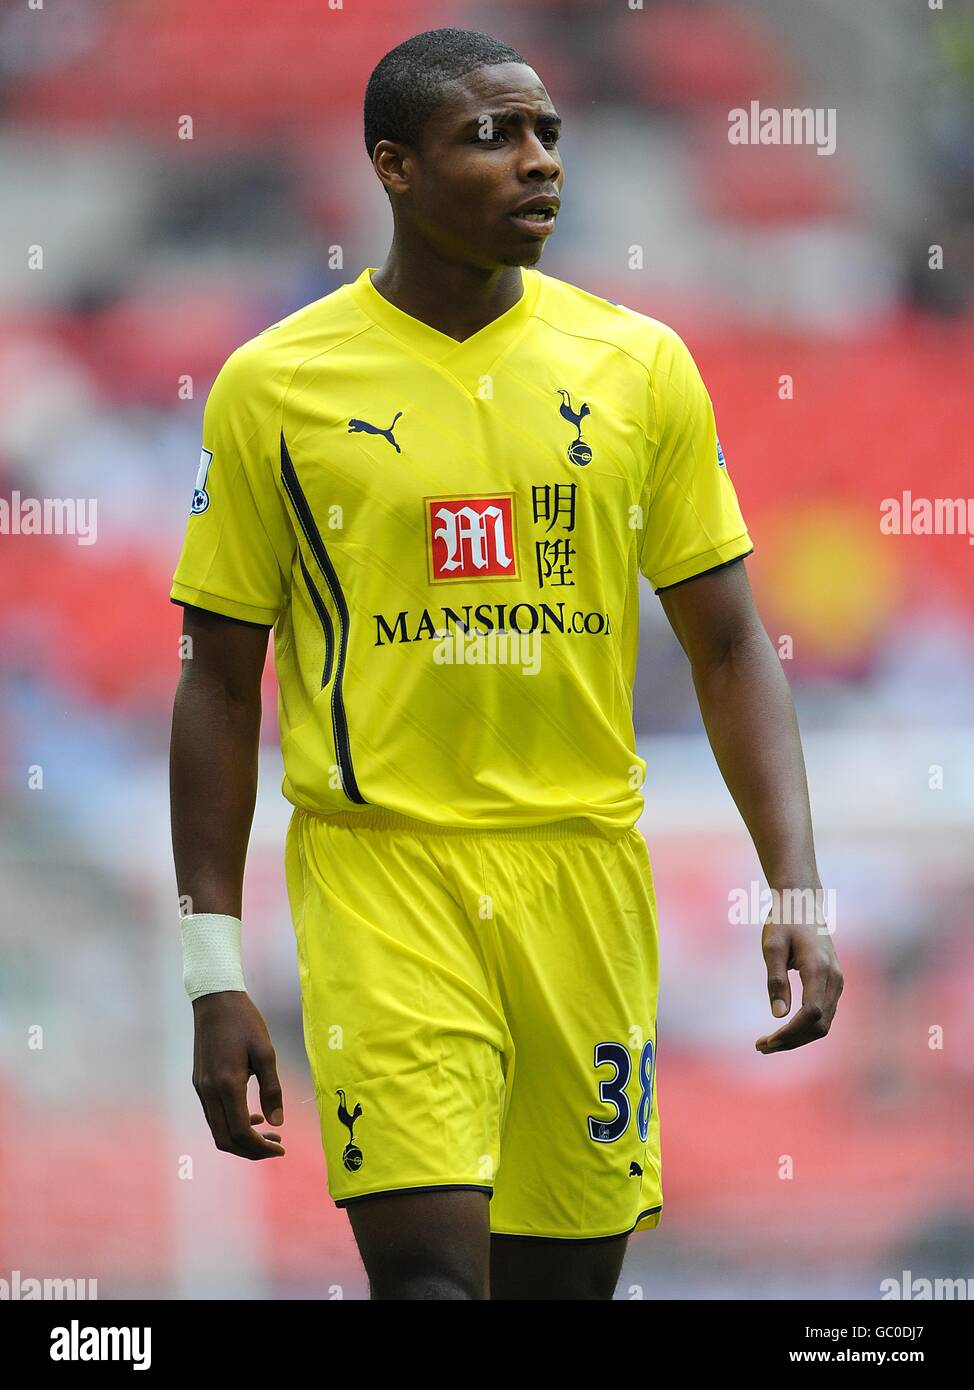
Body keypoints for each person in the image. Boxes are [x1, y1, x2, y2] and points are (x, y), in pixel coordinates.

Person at [169, 27, 843, 1301]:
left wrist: (795, 891)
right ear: (393, 166)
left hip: (582, 876)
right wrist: (213, 973)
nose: (538, 163)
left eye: (547, 135)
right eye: (493, 136)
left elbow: (732, 642)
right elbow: (215, 679)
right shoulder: (275, 386)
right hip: (381, 878)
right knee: (429, 1283)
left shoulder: (637, 366)